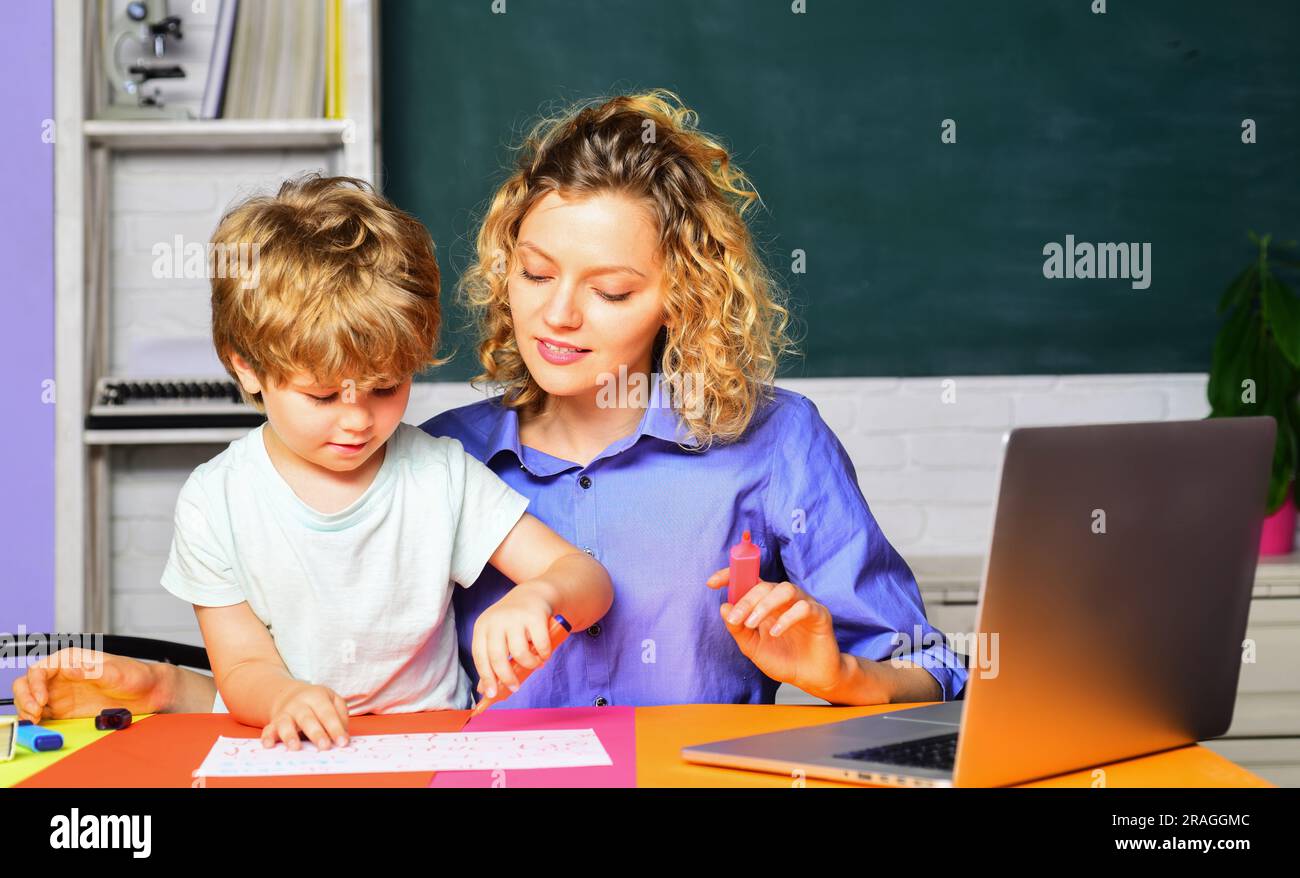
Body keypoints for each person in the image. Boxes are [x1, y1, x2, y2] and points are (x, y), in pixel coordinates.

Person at [13, 90, 965, 720]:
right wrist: (163, 685)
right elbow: (339, 683)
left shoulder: (773, 442)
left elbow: (933, 670)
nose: (557, 314)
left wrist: (836, 674)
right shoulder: (432, 453)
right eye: (537, 270)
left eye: (612, 290)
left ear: (684, 294)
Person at [16, 176, 612, 751]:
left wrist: (543, 596)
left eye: (385, 387)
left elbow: (587, 579)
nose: (357, 421)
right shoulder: (215, 500)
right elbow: (244, 666)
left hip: (427, 750)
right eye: (322, 396)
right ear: (246, 367)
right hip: (285, 751)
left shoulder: (438, 474)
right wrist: (285, 699)